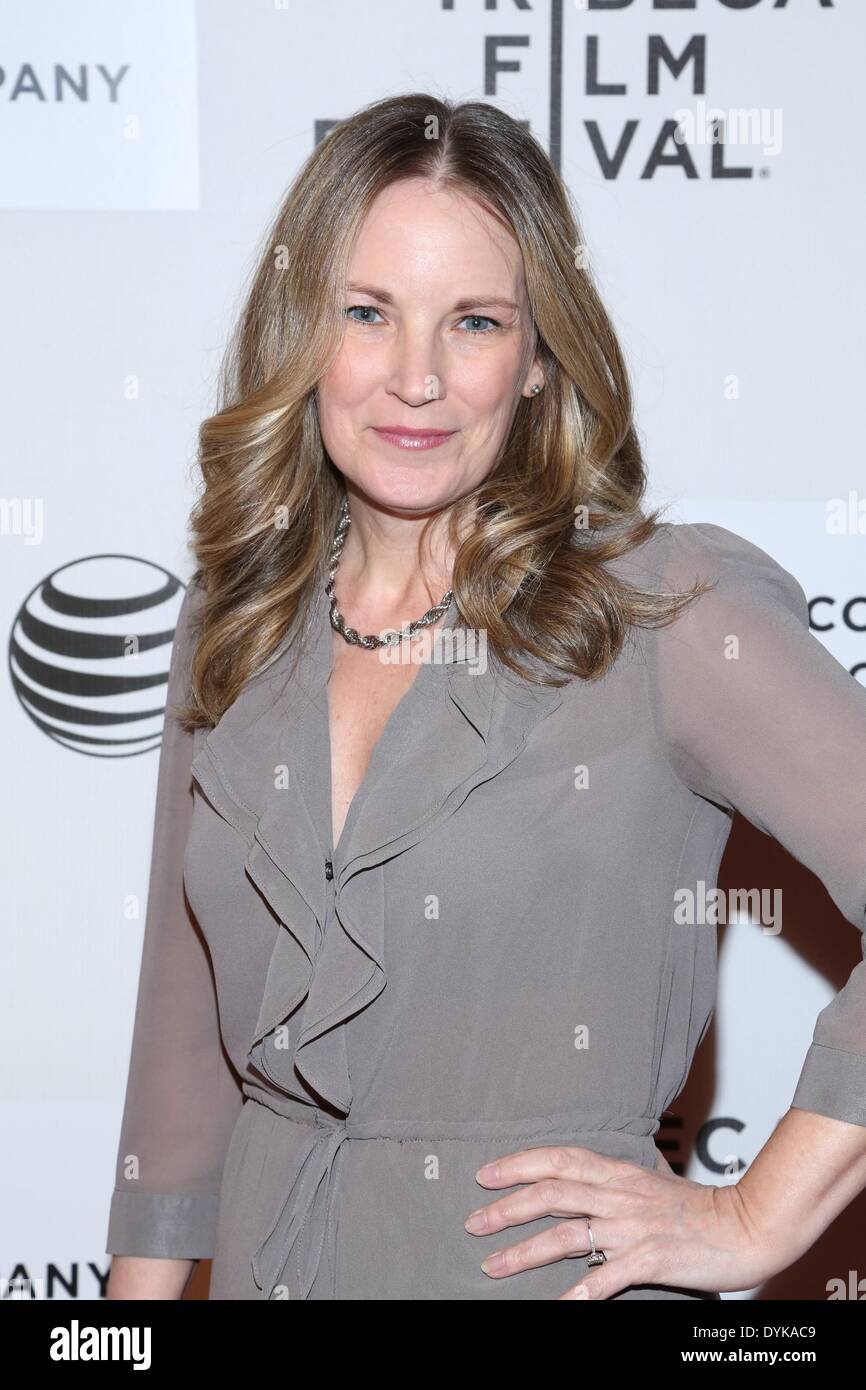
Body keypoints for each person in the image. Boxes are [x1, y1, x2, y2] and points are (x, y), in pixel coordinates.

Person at [105, 93, 866, 1301]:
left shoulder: (662, 612)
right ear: (301, 335)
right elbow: (181, 1044)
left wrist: (752, 1214)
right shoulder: (236, 623)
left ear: (536, 358)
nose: (414, 378)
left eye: (472, 321)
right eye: (367, 313)